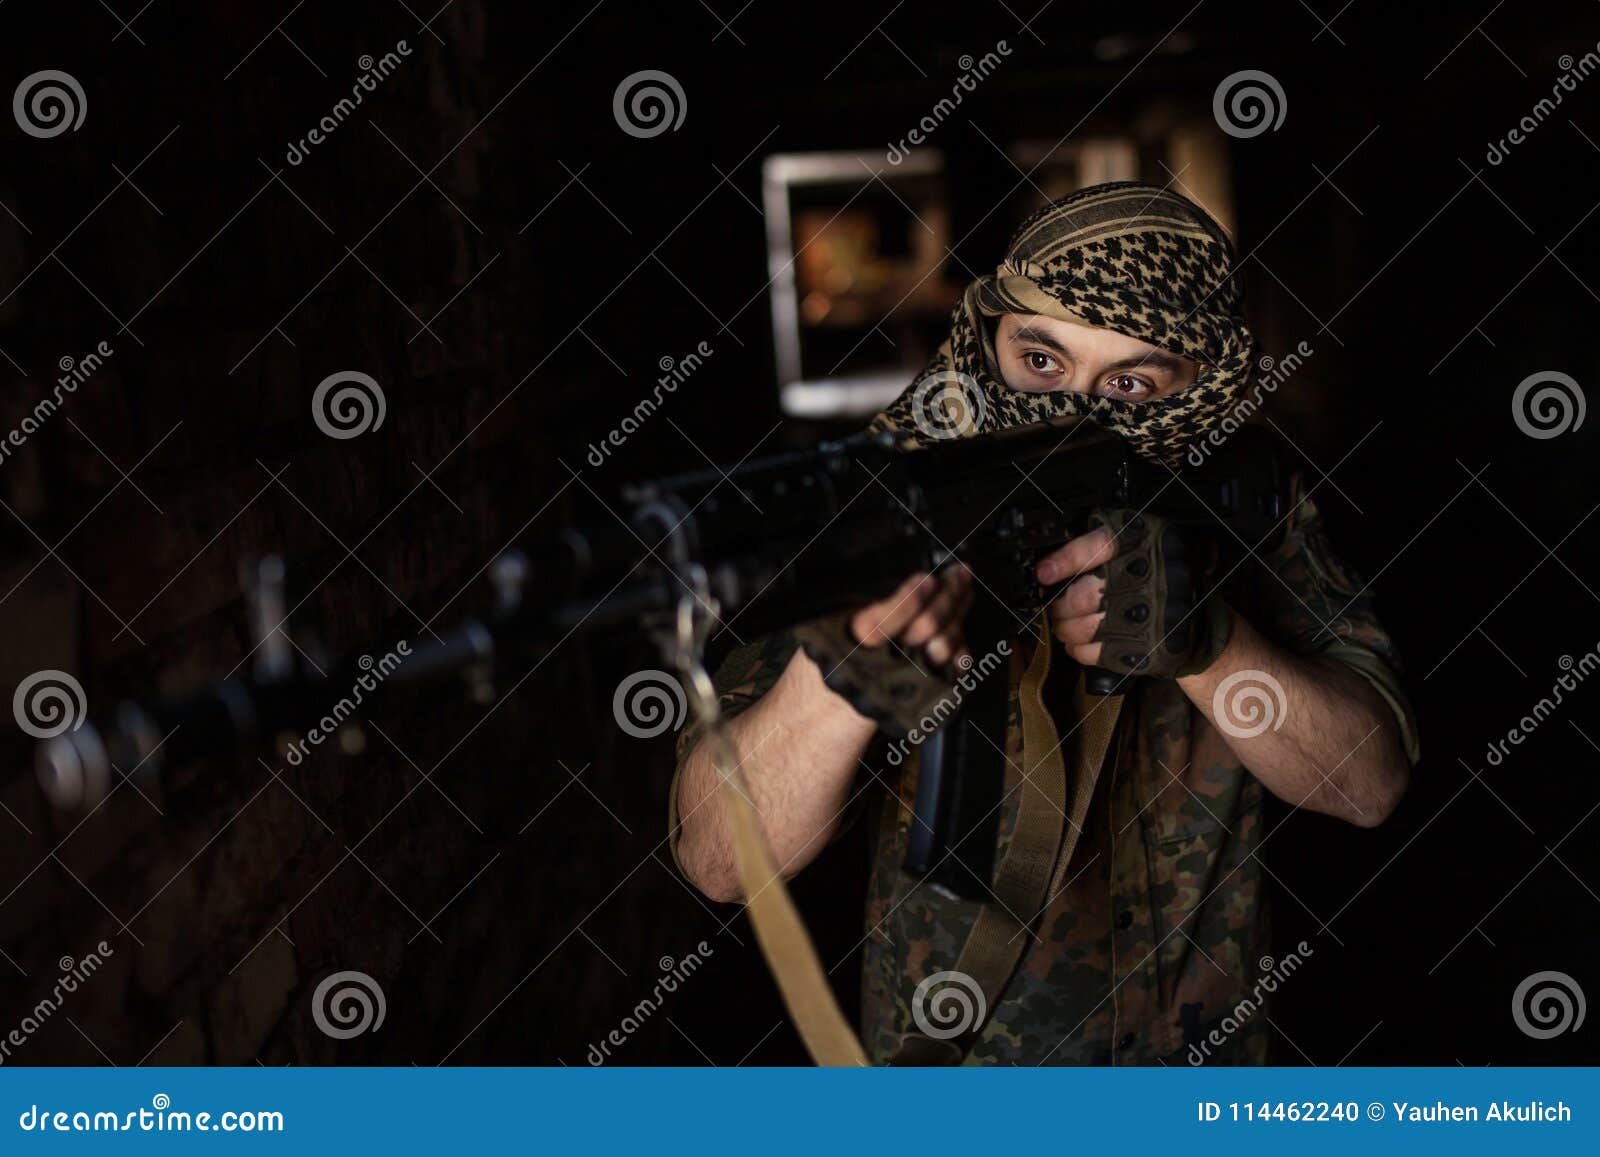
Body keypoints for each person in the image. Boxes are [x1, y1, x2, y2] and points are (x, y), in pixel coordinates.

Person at [669, 182, 1420, 1065]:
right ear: (991, 334)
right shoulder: (894, 489)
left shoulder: (1246, 498)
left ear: (1204, 394)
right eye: (1041, 360)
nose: (1072, 413)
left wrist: (1211, 644)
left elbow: (1370, 784)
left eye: (1132, 383)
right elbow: (718, 858)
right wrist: (846, 673)